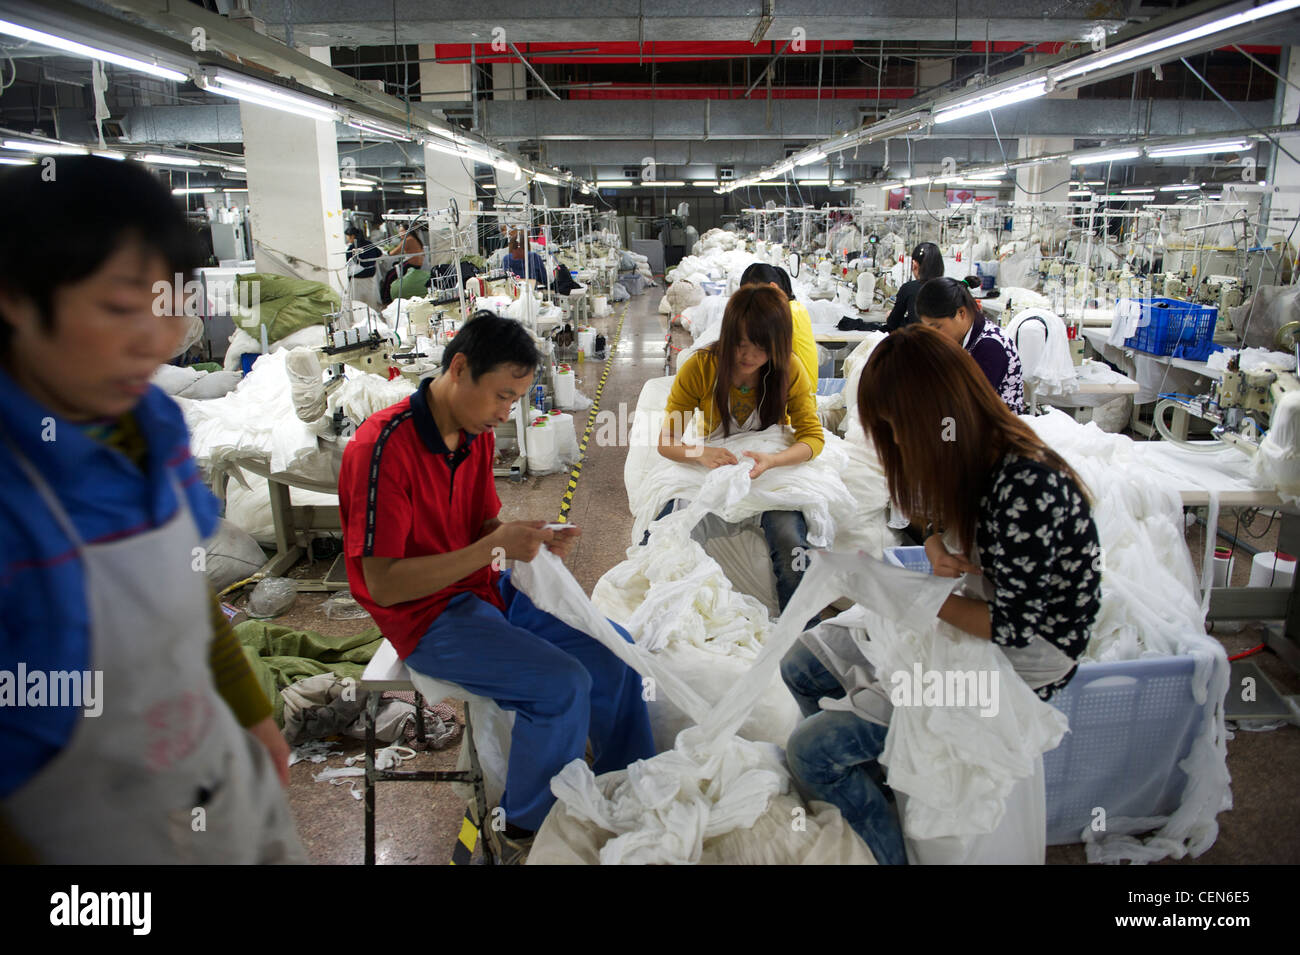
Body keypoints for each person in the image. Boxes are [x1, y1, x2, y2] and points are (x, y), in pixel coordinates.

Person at [0, 156, 303, 863]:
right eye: (118, 306)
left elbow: (187, 593)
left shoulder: (150, 428)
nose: (158, 337)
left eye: (169, 302)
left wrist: (254, 720)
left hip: (212, 771)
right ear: (16, 296)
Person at [336, 312, 655, 863]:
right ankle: (518, 830)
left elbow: (482, 529)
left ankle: (622, 791)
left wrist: (525, 537)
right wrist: (490, 549)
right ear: (459, 368)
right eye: (502, 397)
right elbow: (383, 584)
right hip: (426, 617)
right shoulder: (382, 448)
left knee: (618, 653)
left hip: (480, 588)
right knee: (559, 687)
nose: (507, 412)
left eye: (515, 400)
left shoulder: (474, 434)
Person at [780, 324, 1101, 864]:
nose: (898, 442)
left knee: (810, 753)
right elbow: (930, 516)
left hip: (1024, 660)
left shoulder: (1024, 484)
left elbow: (1015, 627)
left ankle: (890, 845)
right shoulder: (969, 451)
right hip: (973, 605)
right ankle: (882, 790)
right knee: (800, 666)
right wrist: (932, 545)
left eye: (898, 428)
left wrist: (907, 599)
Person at [657, 285, 823, 618]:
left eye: (760, 347)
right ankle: (668, 617)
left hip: (771, 463)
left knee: (790, 540)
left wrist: (774, 461)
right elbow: (667, 441)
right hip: (715, 458)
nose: (747, 355)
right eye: (739, 343)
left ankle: (798, 632)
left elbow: (813, 438)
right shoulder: (700, 368)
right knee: (667, 533)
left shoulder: (788, 369)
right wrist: (700, 454)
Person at [916, 276, 1025, 413]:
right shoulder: (964, 338)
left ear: (961, 313)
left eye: (937, 327)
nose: (933, 335)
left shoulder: (990, 347)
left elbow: (968, 407)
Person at [738, 262, 819, 390]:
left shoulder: (784, 315)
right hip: (801, 395)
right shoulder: (796, 308)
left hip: (793, 401)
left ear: (773, 288)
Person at [885, 241, 943, 332]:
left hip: (918, 342)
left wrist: (889, 316)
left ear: (915, 264)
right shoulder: (951, 287)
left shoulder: (909, 288)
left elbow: (893, 323)